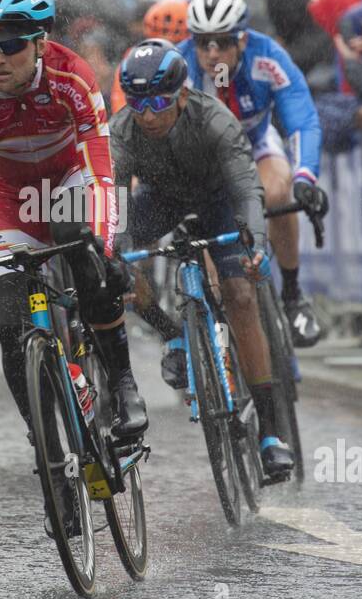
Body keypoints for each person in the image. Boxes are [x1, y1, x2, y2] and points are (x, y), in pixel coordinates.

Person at [0, 0, 147, 500]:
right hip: (11, 201)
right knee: (8, 320)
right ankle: (47, 446)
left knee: (88, 259)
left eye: (9, 47)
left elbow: (100, 172)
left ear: (40, 43)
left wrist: (105, 247)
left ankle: (121, 382)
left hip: (73, 184)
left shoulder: (73, 77)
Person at [112, 39, 296, 476]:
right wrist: (117, 254)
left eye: (159, 101)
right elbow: (112, 203)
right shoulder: (121, 130)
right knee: (117, 270)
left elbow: (247, 189)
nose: (149, 115)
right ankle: (172, 333)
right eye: (138, 103)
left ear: (180, 93)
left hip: (218, 202)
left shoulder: (215, 120)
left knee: (240, 295)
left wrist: (253, 239)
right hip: (161, 200)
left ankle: (271, 430)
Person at [177, 0, 328, 347]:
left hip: (254, 142)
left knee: (279, 191)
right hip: (204, 159)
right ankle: (209, 345)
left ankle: (292, 296)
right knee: (218, 277)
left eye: (223, 43)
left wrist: (306, 175)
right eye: (203, 43)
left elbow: (302, 120)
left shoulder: (268, 56)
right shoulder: (179, 68)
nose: (212, 53)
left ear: (242, 39)